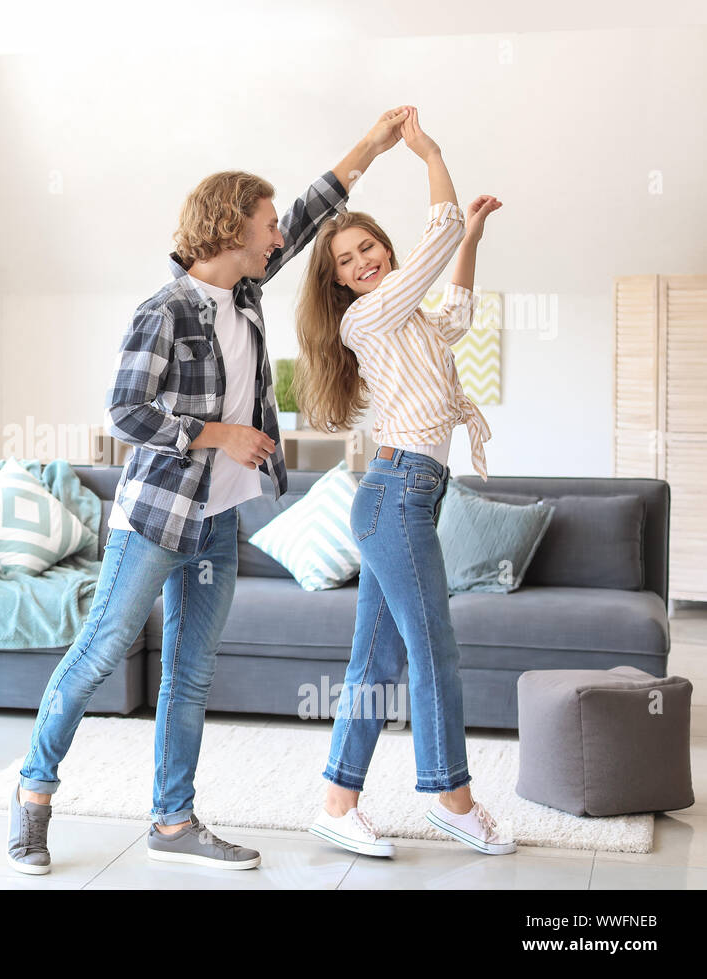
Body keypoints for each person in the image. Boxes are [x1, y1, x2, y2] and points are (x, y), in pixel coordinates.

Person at [6, 109, 413, 875]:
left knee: (191, 672)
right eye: (263, 224)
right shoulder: (164, 311)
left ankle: (172, 820)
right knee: (98, 652)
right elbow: (125, 412)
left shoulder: (248, 294)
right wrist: (218, 433)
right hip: (155, 519)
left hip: (217, 518)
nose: (276, 236)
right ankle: (32, 797)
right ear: (231, 229)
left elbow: (309, 210)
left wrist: (370, 148)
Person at [293, 106, 515, 857]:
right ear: (340, 284)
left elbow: (454, 309)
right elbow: (440, 227)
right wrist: (429, 154)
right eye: (346, 262)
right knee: (434, 647)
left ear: (383, 248)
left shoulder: (409, 317)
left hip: (405, 494)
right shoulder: (369, 319)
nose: (362, 262)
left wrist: (474, 241)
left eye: (368, 248)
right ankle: (452, 795)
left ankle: (337, 799)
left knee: (378, 660)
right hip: (394, 495)